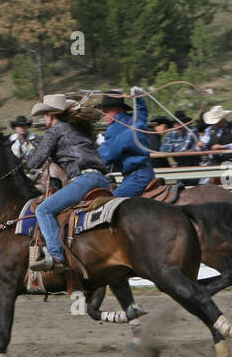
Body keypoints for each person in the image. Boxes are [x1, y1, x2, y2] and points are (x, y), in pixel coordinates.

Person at [23, 94, 111, 273]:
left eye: (45, 114)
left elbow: (35, 162)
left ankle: (56, 256)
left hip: (83, 181)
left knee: (43, 209)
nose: (44, 118)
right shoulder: (76, 129)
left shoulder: (56, 130)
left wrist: (29, 153)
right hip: (103, 180)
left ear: (51, 115)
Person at [97, 93, 157, 197]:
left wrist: (92, 162)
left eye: (106, 111)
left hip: (135, 177)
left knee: (110, 203)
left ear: (117, 110)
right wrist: (138, 98)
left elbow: (108, 153)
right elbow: (142, 111)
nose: (103, 114)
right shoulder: (135, 120)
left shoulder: (114, 128)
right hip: (147, 173)